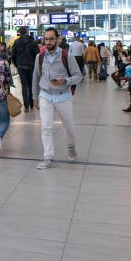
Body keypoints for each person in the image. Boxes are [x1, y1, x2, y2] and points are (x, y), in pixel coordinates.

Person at [32, 27, 83, 169]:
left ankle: (71, 147)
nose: (48, 42)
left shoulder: (67, 56)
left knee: (69, 126)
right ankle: (48, 157)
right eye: (46, 39)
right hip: (45, 95)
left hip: (63, 96)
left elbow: (78, 76)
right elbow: (36, 77)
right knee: (46, 127)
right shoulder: (40, 57)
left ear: (58, 39)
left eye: (51, 39)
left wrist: (65, 81)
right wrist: (34, 97)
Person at [12, 27, 39, 111]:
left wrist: (17, 65)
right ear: (27, 32)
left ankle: (26, 106)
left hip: (21, 66)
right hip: (31, 66)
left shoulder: (16, 42)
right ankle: (31, 104)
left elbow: (13, 55)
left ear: (20, 33)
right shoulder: (32, 42)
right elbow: (37, 54)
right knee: (31, 85)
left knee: (24, 86)